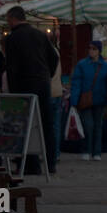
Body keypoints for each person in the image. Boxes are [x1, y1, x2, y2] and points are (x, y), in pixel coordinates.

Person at [4, 6, 59, 174]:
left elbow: (12, 67)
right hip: (42, 84)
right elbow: (54, 57)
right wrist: (46, 75)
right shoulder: (40, 34)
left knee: (24, 125)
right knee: (46, 124)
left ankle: (29, 165)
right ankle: (50, 164)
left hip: (23, 85)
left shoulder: (12, 38)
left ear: (13, 19)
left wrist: (13, 91)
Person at [70, 41, 107, 161]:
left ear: (99, 51)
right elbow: (76, 83)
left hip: (100, 99)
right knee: (88, 125)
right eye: (89, 48)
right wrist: (74, 100)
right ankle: (86, 150)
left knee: (98, 126)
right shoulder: (82, 64)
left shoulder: (105, 66)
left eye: (93, 49)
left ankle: (96, 152)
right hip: (85, 100)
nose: (91, 51)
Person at [49, 40, 63, 171]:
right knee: (56, 125)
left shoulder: (46, 51)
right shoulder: (55, 51)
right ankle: (55, 153)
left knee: (50, 126)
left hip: (49, 92)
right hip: (57, 90)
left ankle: (52, 153)